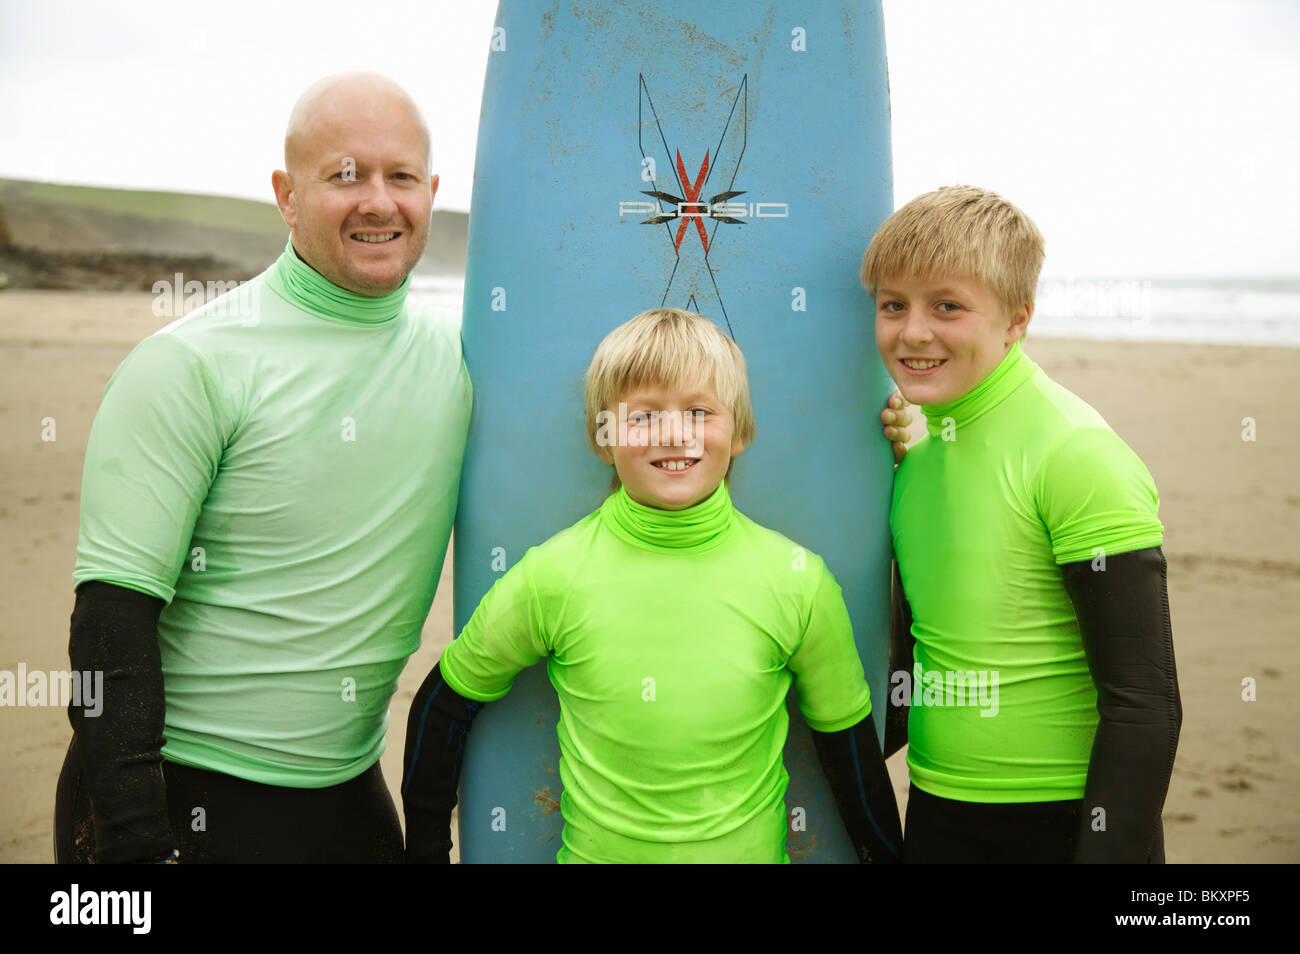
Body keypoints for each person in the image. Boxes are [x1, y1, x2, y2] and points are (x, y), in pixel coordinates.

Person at [54, 72, 472, 863]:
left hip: (349, 795)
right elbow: (110, 626)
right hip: (178, 796)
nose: (378, 201)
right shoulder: (190, 365)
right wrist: (136, 845)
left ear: (432, 191)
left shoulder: (460, 358)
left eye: (402, 177)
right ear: (287, 194)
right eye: (345, 174)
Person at [402, 308, 903, 864]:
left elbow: (852, 754)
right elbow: (445, 702)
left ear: (740, 432)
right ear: (604, 439)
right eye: (642, 416)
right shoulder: (556, 575)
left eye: (698, 410)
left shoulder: (796, 582)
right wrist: (426, 851)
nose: (673, 432)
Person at [862, 185, 1182, 863]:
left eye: (946, 305)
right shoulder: (912, 466)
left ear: (1017, 318)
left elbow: (1145, 704)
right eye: (894, 305)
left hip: (1063, 824)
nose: (912, 332)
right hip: (937, 810)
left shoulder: (1074, 453)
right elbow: (911, 665)